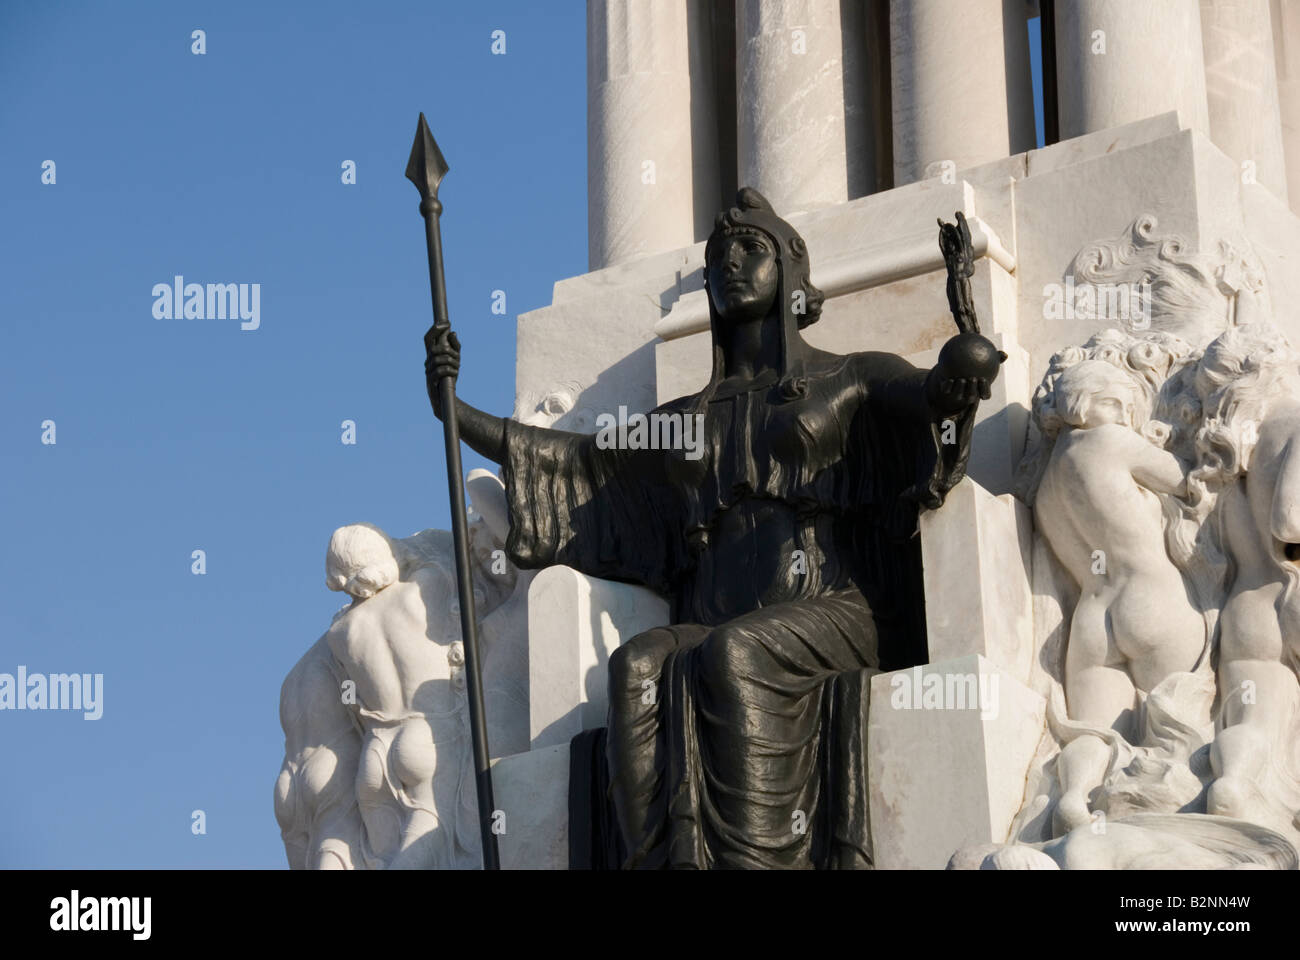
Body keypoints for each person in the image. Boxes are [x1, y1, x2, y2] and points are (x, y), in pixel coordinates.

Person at [425, 188, 1001, 868]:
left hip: (836, 607)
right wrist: (454, 410)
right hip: (717, 612)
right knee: (636, 667)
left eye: (751, 248)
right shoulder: (685, 418)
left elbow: (931, 403)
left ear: (791, 267)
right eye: (719, 255)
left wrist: (964, 364)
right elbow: (576, 465)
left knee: (733, 656)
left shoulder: (849, 376)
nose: (731, 262)